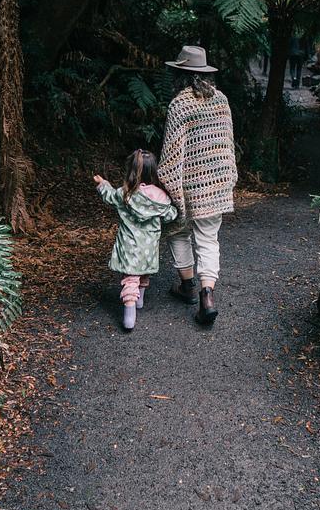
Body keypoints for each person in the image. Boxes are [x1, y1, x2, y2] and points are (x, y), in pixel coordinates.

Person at [159, 45, 238, 325]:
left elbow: (171, 153)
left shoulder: (180, 104)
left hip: (187, 185)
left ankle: (188, 285)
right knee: (208, 238)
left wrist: (167, 184)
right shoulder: (221, 100)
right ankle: (207, 295)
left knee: (178, 231)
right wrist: (228, 178)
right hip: (216, 183)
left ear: (180, 75)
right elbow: (226, 143)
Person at [94, 150, 178, 332]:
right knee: (144, 273)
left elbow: (109, 196)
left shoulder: (125, 194)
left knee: (130, 278)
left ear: (131, 171)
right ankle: (139, 301)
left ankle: (129, 315)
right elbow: (170, 215)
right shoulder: (161, 196)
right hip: (149, 246)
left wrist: (103, 184)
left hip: (129, 245)